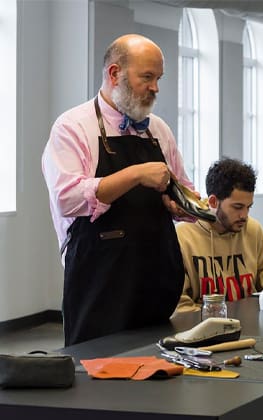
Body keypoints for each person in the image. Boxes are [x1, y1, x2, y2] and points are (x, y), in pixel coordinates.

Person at [42, 34, 195, 346]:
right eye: (147, 77)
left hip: (156, 277)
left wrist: (186, 205)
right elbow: (67, 199)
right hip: (100, 282)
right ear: (115, 74)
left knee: (156, 375)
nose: (155, 88)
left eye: (158, 78)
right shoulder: (73, 127)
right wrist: (136, 174)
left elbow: (183, 187)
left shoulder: (158, 130)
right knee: (96, 379)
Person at [174, 158, 263, 311]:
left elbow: (259, 284)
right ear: (213, 202)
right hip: (201, 329)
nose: (244, 215)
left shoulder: (254, 230)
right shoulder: (182, 237)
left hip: (249, 328)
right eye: (237, 207)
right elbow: (180, 306)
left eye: (248, 207)